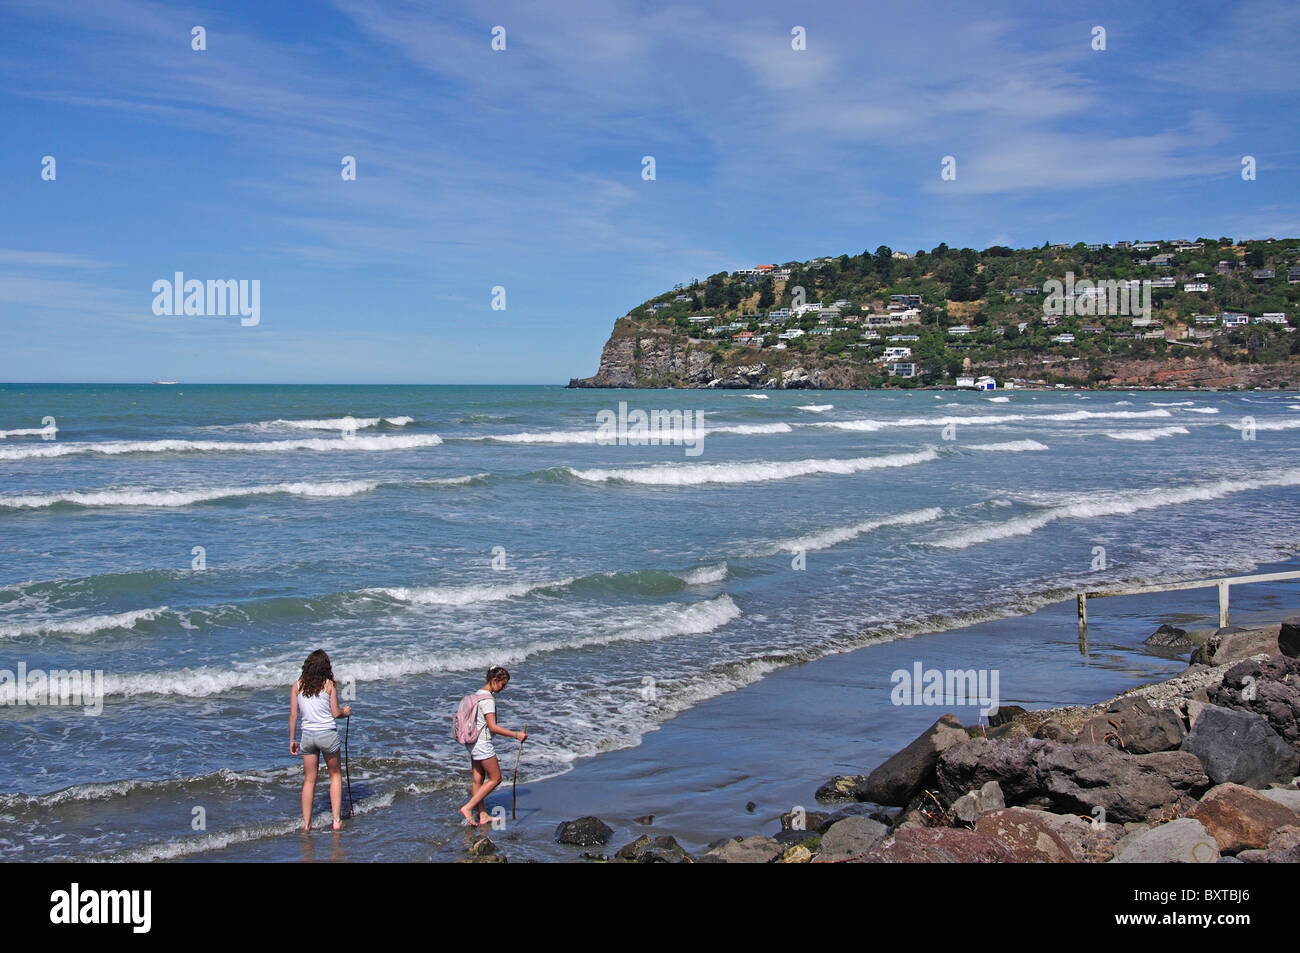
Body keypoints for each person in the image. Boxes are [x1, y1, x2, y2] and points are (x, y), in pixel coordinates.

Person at [289, 649, 352, 832]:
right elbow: (335, 713)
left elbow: (293, 715)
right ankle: (336, 821)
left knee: (309, 780)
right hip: (327, 735)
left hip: (307, 736)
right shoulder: (329, 685)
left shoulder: (297, 685)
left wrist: (292, 739)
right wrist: (345, 713)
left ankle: (307, 824)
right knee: (335, 775)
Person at [459, 665, 526, 827]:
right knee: (496, 778)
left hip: (472, 742)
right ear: (494, 680)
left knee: (478, 779)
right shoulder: (488, 700)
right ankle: (468, 807)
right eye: (503, 685)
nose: (503, 689)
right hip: (482, 743)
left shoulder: (476, 695)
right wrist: (517, 735)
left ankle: (482, 815)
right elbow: (493, 727)